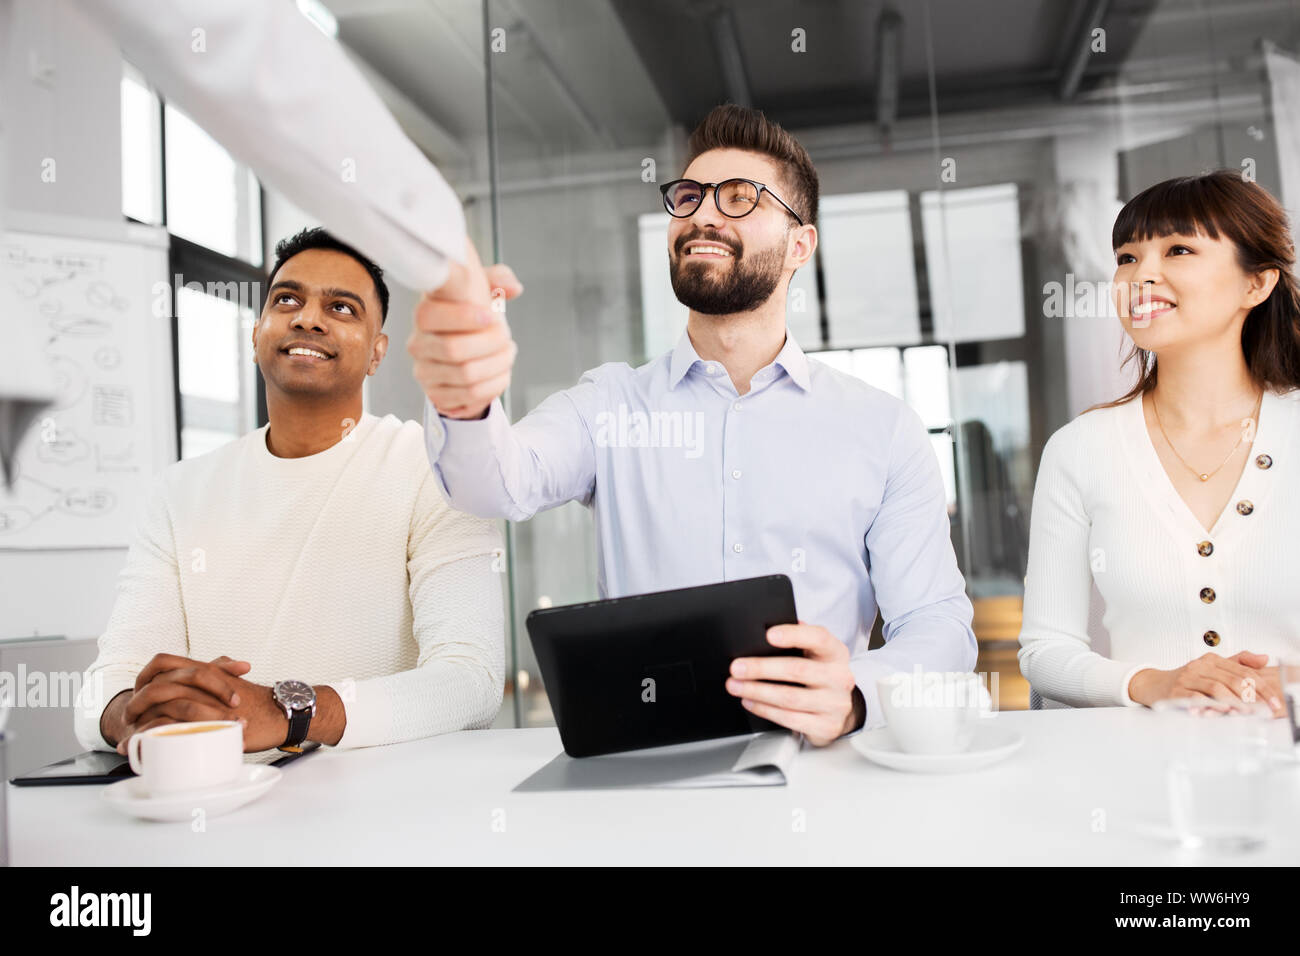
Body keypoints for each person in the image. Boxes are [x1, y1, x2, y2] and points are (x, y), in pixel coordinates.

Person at [408, 104, 978, 746]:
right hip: (644, 779)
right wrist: (464, 393)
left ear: (800, 244)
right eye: (688, 197)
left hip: (820, 777)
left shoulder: (883, 429)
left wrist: (855, 694)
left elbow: (938, 629)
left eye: (740, 198)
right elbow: (495, 486)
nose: (703, 214)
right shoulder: (610, 405)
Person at [74, 229, 505, 756]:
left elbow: (470, 681)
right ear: (256, 335)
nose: (308, 318)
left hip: (390, 812)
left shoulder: (437, 471)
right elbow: (112, 676)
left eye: (342, 308)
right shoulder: (178, 493)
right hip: (221, 805)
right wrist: (131, 713)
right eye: (287, 300)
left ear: (377, 352)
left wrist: (287, 712)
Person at [1018, 170, 1300, 713]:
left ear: (1256, 284)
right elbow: (1045, 651)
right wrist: (1151, 684)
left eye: (1178, 250)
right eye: (1127, 258)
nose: (1140, 276)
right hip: (1147, 777)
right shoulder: (1080, 449)